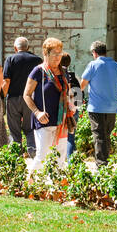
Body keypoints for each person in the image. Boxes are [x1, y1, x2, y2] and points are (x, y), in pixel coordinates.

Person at [24, 37, 74, 168]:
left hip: (61, 121)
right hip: (44, 120)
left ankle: (58, 186)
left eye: (60, 53)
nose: (58, 57)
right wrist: (37, 112)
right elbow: (27, 95)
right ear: (45, 54)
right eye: (54, 53)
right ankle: (30, 184)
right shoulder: (38, 71)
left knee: (60, 158)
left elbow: (68, 92)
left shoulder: (64, 72)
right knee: (42, 156)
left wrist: (71, 105)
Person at [79, 40, 117, 166]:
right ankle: (106, 162)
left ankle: (102, 166)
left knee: (99, 136)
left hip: (96, 108)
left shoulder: (93, 65)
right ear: (105, 52)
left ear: (94, 53)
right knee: (106, 136)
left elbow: (82, 85)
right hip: (112, 108)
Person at [2, 36, 42, 156]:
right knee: (30, 128)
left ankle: (16, 156)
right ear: (28, 47)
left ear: (15, 48)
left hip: (13, 98)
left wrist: (2, 96)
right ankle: (32, 153)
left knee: (14, 129)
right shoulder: (37, 60)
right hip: (30, 99)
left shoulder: (10, 59)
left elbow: (6, 81)